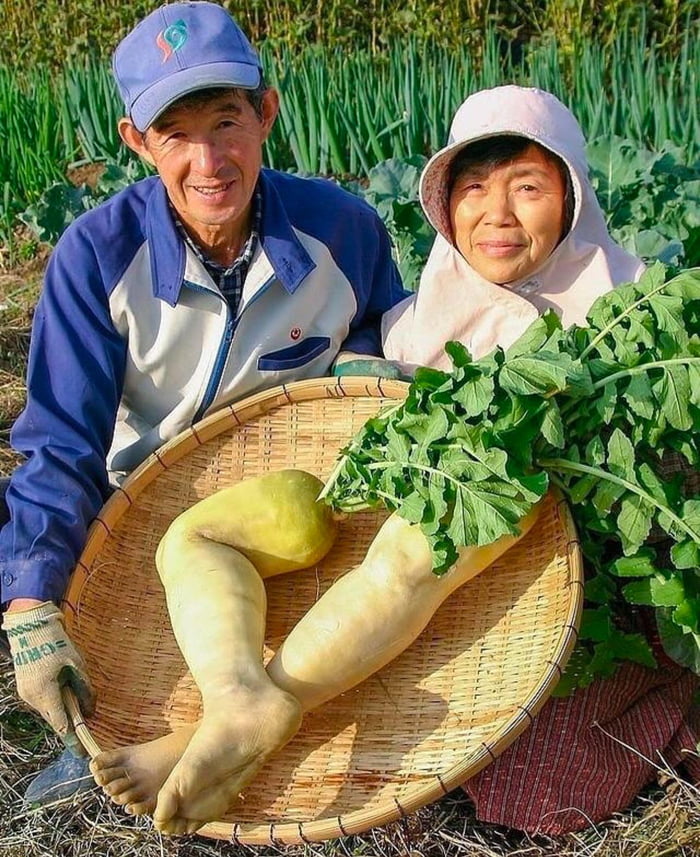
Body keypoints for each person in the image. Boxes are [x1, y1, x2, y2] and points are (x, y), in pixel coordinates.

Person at [0, 0, 407, 804]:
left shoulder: (345, 229)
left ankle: (229, 724)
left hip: (310, 505)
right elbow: (61, 448)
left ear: (266, 113)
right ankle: (142, 732)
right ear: (137, 142)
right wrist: (29, 605)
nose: (207, 161)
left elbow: (379, 349)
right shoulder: (94, 258)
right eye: (175, 135)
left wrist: (375, 372)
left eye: (226, 122)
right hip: (148, 519)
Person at [382, 85, 700, 835]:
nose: (497, 214)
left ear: (573, 197)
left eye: (527, 187)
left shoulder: (632, 317)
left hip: (604, 603)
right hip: (471, 602)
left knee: (534, 788)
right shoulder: (410, 331)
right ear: (442, 207)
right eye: (473, 189)